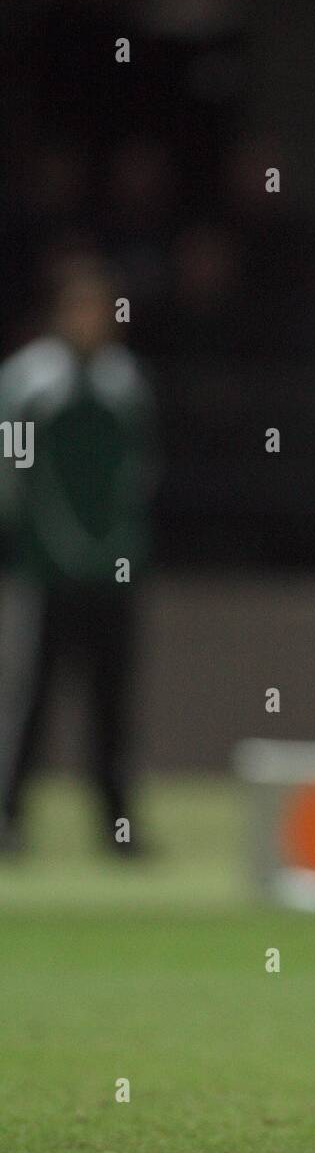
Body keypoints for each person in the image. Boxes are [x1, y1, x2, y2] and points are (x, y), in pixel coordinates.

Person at [0, 254, 156, 858]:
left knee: (112, 703)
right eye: (81, 309)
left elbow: (140, 470)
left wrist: (122, 548)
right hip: (46, 574)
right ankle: (11, 819)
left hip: (114, 576)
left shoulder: (125, 382)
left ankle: (118, 828)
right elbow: (14, 471)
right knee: (32, 698)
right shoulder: (27, 381)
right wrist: (34, 542)